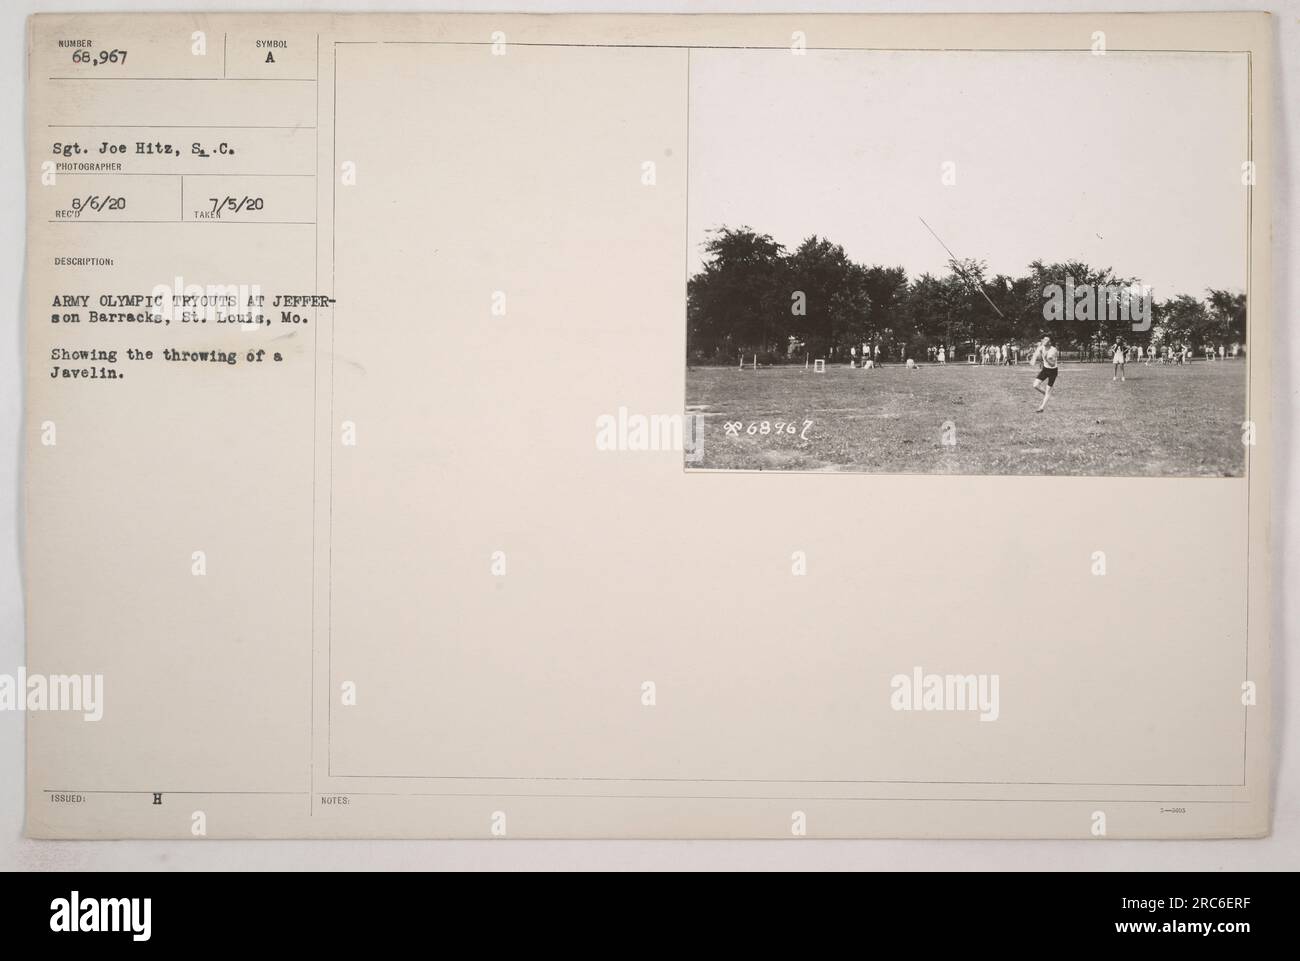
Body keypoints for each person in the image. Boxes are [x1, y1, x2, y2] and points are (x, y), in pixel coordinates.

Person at [1030, 336, 1059, 413]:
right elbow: (1037, 353)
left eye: (1046, 339)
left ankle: (1041, 407)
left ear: (1049, 343)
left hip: (1053, 371)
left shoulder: (1053, 350)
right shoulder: (1042, 347)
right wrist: (1033, 360)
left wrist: (1046, 359)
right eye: (1043, 339)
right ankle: (1045, 394)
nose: (1043, 340)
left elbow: (1052, 364)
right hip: (1045, 369)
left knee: (1048, 389)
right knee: (1035, 385)